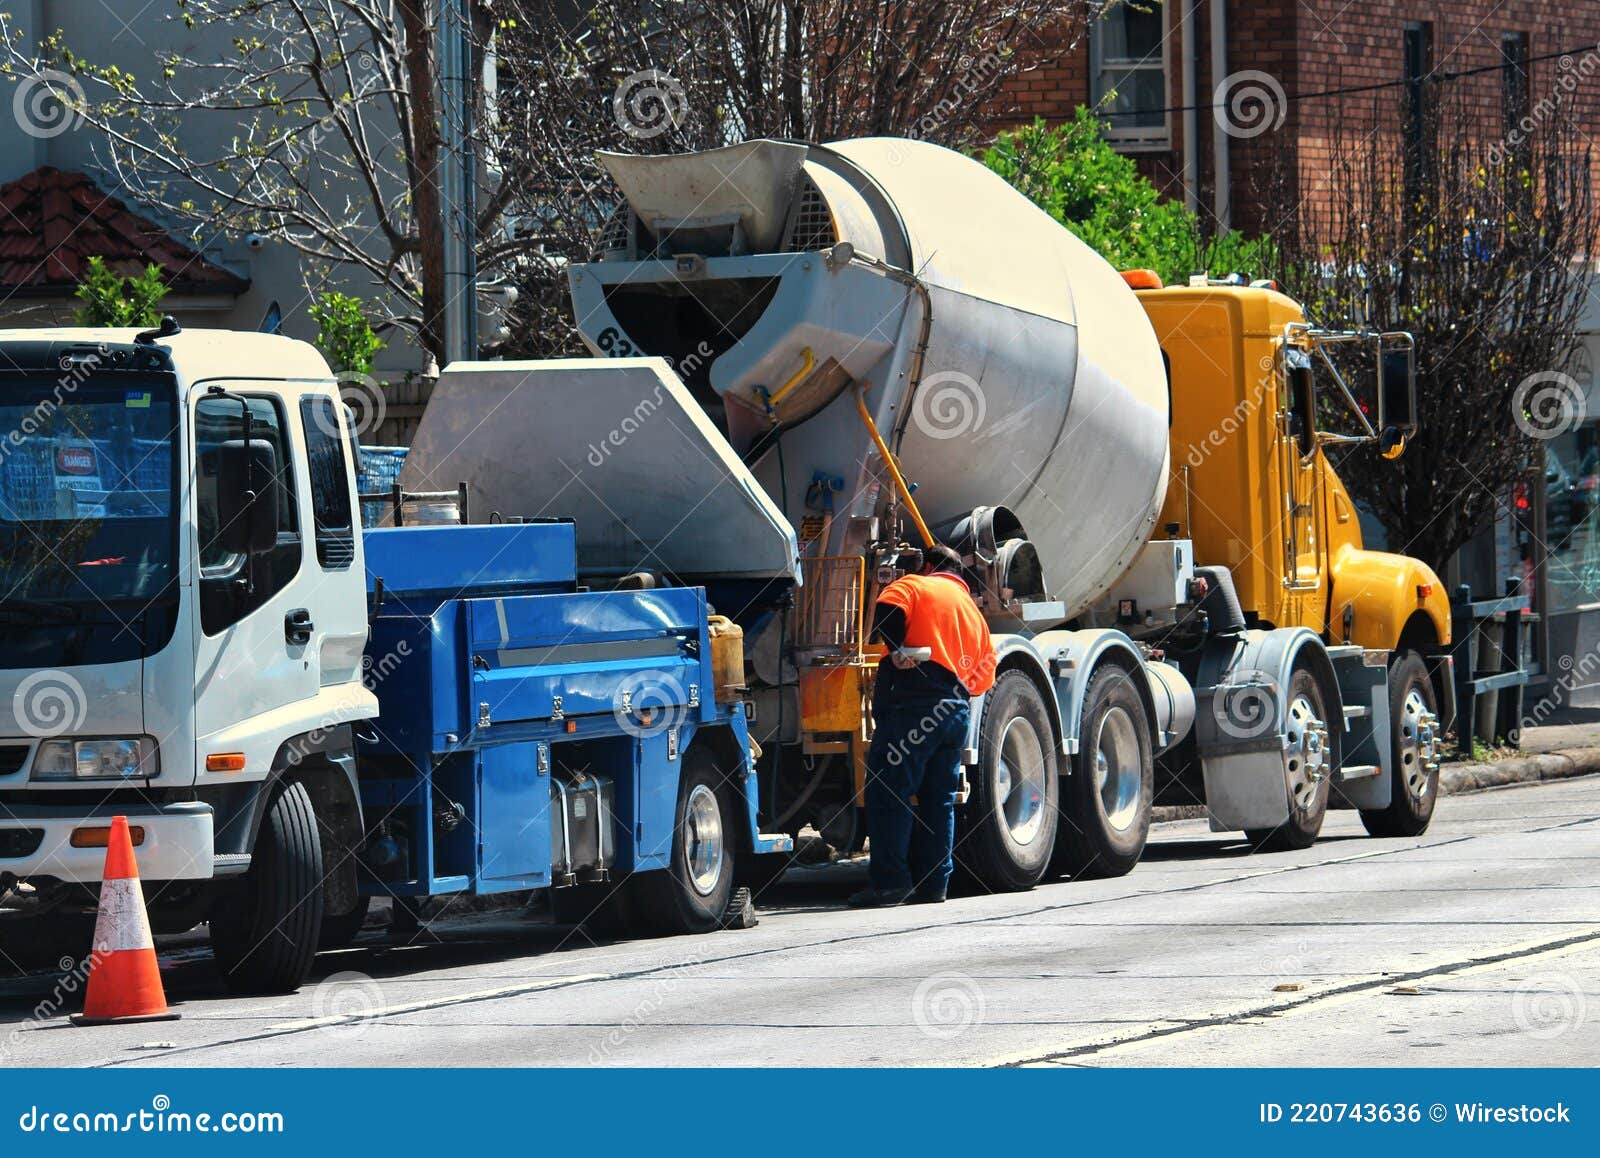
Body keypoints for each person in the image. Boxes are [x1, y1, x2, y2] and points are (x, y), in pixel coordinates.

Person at [848, 544, 996, 908]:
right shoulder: (973, 612)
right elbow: (984, 676)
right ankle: (934, 885)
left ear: (930, 565)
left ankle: (890, 884)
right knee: (939, 800)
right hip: (954, 710)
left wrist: (897, 650)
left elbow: (886, 608)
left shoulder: (915, 584)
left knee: (889, 793)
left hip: (913, 708)